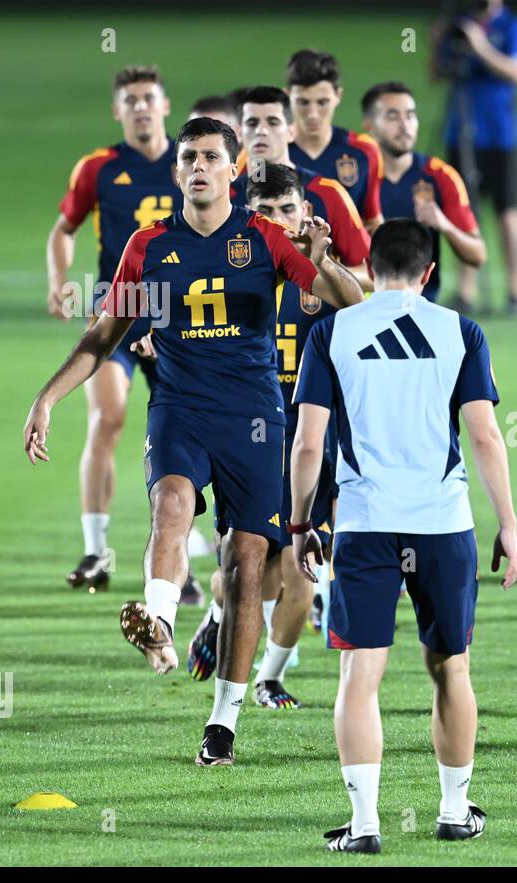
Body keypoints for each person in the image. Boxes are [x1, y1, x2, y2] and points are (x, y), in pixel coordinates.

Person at [22, 118, 364, 766]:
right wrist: (47, 398)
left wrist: (322, 261)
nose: (200, 166)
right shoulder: (148, 247)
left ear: (232, 169)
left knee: (244, 567)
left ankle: (223, 721)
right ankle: (159, 622)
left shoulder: (264, 240)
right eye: (190, 158)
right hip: (179, 408)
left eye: (211, 156)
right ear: (178, 171)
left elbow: (349, 301)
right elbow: (103, 336)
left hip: (257, 419)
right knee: (171, 503)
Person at [289, 218, 517, 853]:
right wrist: (508, 523)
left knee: (359, 676)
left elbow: (309, 442)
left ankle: (364, 826)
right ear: (428, 273)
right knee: (451, 667)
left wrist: (300, 523)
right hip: (443, 524)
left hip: (364, 526)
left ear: (368, 263)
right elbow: (484, 436)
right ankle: (453, 811)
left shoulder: (330, 332)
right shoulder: (460, 332)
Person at [187, 164, 342, 709]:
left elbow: (357, 305)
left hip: (311, 445)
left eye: (288, 208)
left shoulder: (318, 276)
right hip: (248, 442)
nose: (279, 219)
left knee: (305, 567)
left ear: (305, 211)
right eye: (267, 210)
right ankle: (217, 613)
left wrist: (321, 260)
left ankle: (269, 676)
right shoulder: (231, 269)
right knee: (244, 574)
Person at [47, 65, 184, 595]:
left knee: (182, 433)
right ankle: (96, 550)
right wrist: (60, 281)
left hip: (178, 318)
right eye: (131, 101)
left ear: (165, 105)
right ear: (117, 111)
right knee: (107, 419)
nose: (142, 108)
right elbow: (64, 229)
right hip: (117, 310)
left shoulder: (192, 161)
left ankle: (182, 558)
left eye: (149, 98)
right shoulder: (99, 168)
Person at [432, 0, 517, 315]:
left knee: (507, 210)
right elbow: (438, 74)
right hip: (460, 132)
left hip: (500, 133)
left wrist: (479, 46)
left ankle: (516, 290)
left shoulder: (514, 27)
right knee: (464, 211)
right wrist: (438, 42)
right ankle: (466, 290)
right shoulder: (458, 24)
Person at [230, 86, 371, 285]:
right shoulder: (225, 196)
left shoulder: (327, 193)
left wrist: (317, 272)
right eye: (252, 123)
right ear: (239, 133)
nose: (261, 131)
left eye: (272, 122)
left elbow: (371, 272)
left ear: (291, 131)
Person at [362, 81, 487, 303]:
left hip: (420, 310)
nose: (404, 126)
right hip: (363, 307)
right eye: (392, 116)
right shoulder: (354, 178)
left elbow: (477, 255)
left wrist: (444, 224)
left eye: (410, 116)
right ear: (369, 125)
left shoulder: (440, 176)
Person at [284, 49, 385, 232]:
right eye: (303, 102)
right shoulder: (264, 155)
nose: (313, 114)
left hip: (344, 262)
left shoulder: (365, 152)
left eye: (322, 102)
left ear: (338, 96)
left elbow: (371, 221)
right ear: (288, 96)